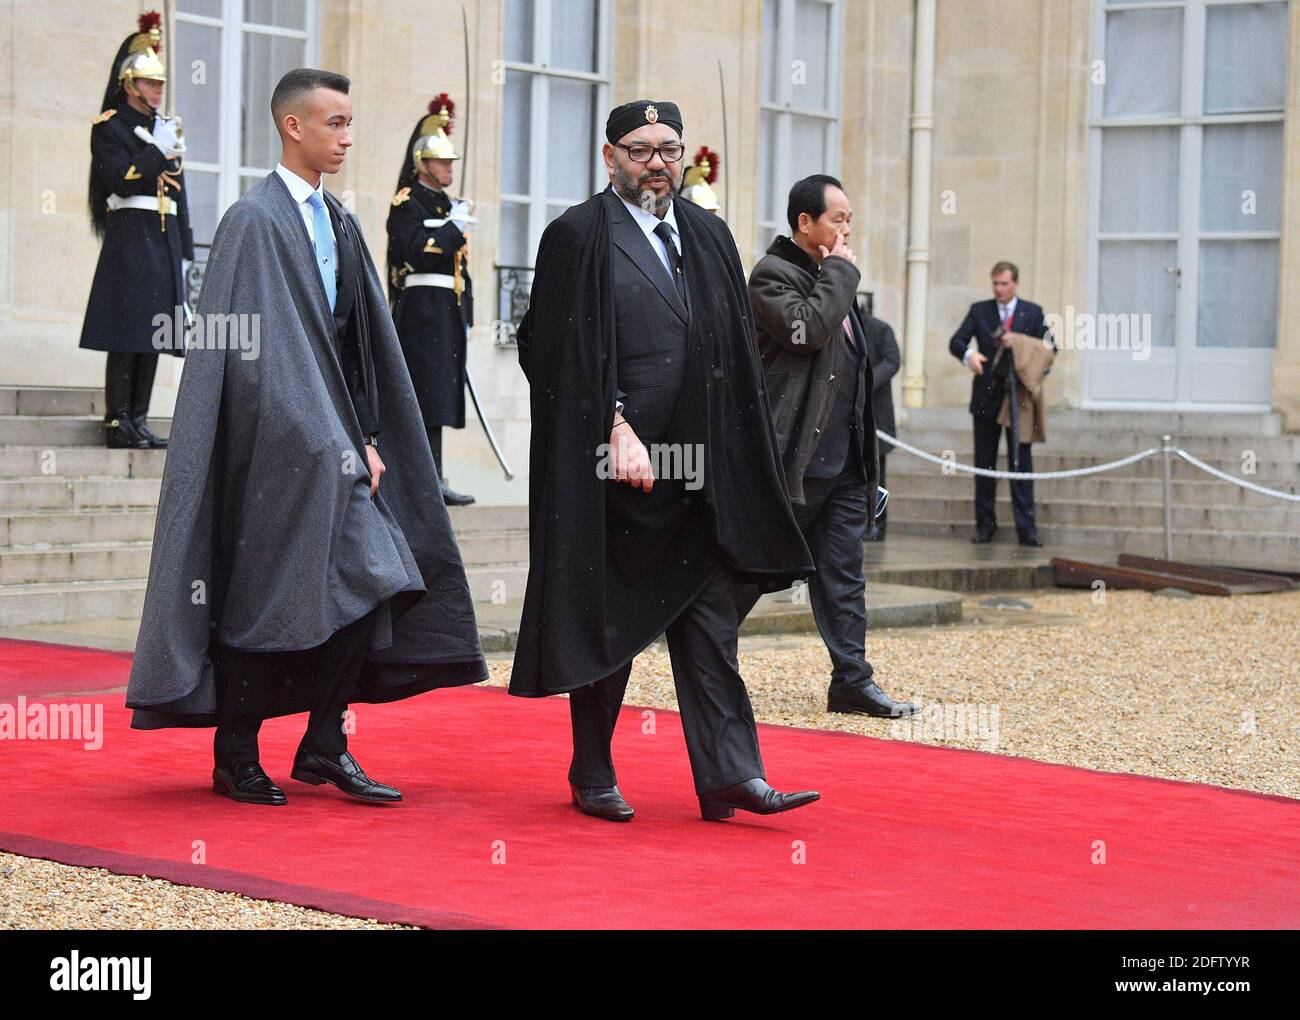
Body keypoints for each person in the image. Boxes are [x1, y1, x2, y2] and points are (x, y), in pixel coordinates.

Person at [124, 68, 486, 807]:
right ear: (294, 126)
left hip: (337, 445)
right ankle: (238, 755)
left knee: (376, 577)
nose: (348, 138)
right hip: (271, 449)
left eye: (352, 123)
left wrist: (367, 435)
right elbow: (244, 352)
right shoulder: (253, 220)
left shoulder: (340, 222)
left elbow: (350, 345)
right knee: (263, 594)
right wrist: (324, 439)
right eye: (335, 124)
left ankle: (323, 742)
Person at [510, 99, 820, 823]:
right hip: (618, 466)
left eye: (669, 148)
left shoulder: (710, 236)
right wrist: (610, 425)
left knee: (710, 618)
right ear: (610, 156)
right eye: (641, 148)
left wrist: (747, 455)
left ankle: (730, 775)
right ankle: (592, 770)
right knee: (610, 617)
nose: (657, 162)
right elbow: (546, 350)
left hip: (699, 468)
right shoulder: (577, 236)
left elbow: (736, 353)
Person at [737, 175, 916, 720]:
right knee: (750, 570)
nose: (846, 228)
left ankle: (851, 682)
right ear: (804, 224)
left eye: (849, 218)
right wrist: (842, 271)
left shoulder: (829, 278)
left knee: (844, 576)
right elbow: (805, 331)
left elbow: (854, 375)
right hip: (794, 463)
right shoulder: (772, 276)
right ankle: (706, 656)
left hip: (843, 468)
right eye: (837, 218)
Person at [79, 11, 192, 450]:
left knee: (154, 328)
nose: (158, 91)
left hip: (161, 234)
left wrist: (184, 245)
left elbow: (179, 190)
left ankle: (140, 418)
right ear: (130, 84)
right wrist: (154, 154)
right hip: (130, 232)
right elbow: (121, 179)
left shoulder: (161, 129)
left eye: (161, 84)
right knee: (127, 328)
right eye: (150, 83)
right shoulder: (110, 127)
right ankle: (117, 420)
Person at [386, 94, 475, 506]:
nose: (449, 168)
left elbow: (460, 269)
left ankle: (434, 478)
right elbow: (418, 251)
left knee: (438, 398)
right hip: (420, 312)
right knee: (423, 396)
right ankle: (422, 481)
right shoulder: (408, 201)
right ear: (423, 163)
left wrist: (466, 311)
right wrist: (453, 229)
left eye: (451, 161)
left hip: (445, 312)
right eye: (442, 161)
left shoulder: (445, 204)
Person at [948, 261, 1048, 546]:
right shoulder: (980, 310)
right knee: (984, 464)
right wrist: (970, 356)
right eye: (995, 284)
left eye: (1004, 284)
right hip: (985, 396)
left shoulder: (1032, 312)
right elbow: (956, 341)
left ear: (1015, 283)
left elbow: (1049, 347)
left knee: (1021, 463)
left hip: (1019, 400)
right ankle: (985, 525)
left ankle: (1026, 529)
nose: (999, 289)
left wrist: (1030, 370)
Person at [861, 304, 900, 542]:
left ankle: (877, 524)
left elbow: (892, 362)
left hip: (876, 416)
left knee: (876, 476)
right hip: (848, 418)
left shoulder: (879, 329)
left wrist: (865, 383)